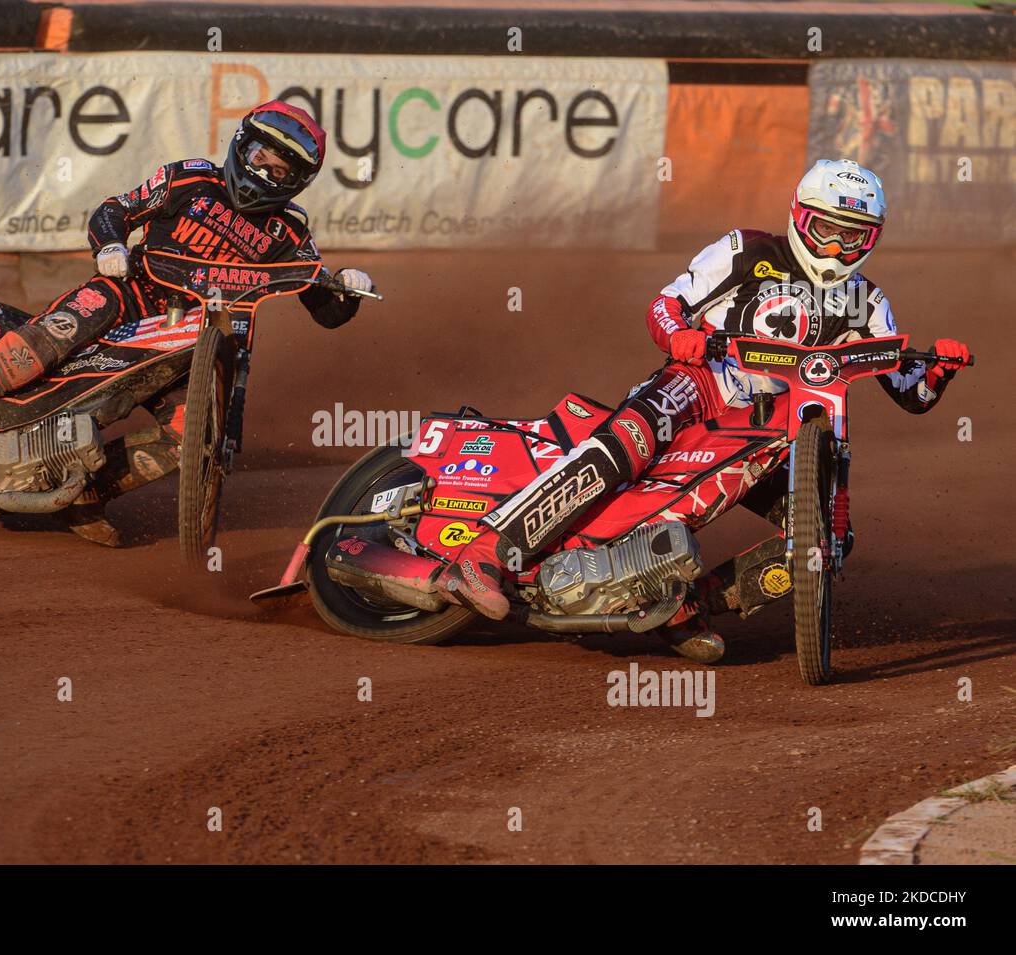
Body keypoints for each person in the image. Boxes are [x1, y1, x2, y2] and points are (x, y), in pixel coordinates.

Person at [408, 159, 971, 661]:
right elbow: (666, 304)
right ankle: (485, 553)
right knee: (628, 439)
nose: (836, 249)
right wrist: (677, 336)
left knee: (831, 538)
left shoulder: (868, 300)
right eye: (827, 230)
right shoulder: (746, 250)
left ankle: (686, 603)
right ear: (801, 217)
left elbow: (911, 392)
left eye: (854, 237)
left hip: (771, 427)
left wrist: (936, 373)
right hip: (700, 384)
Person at [0, 101, 373, 545]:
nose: (265, 172)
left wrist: (345, 287)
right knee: (36, 348)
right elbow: (114, 210)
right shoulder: (189, 176)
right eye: (261, 156)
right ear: (242, 146)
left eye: (281, 170)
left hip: (194, 341)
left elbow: (324, 307)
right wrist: (109, 246)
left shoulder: (290, 231)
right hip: (127, 295)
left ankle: (81, 496)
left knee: (185, 438)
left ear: (297, 181)